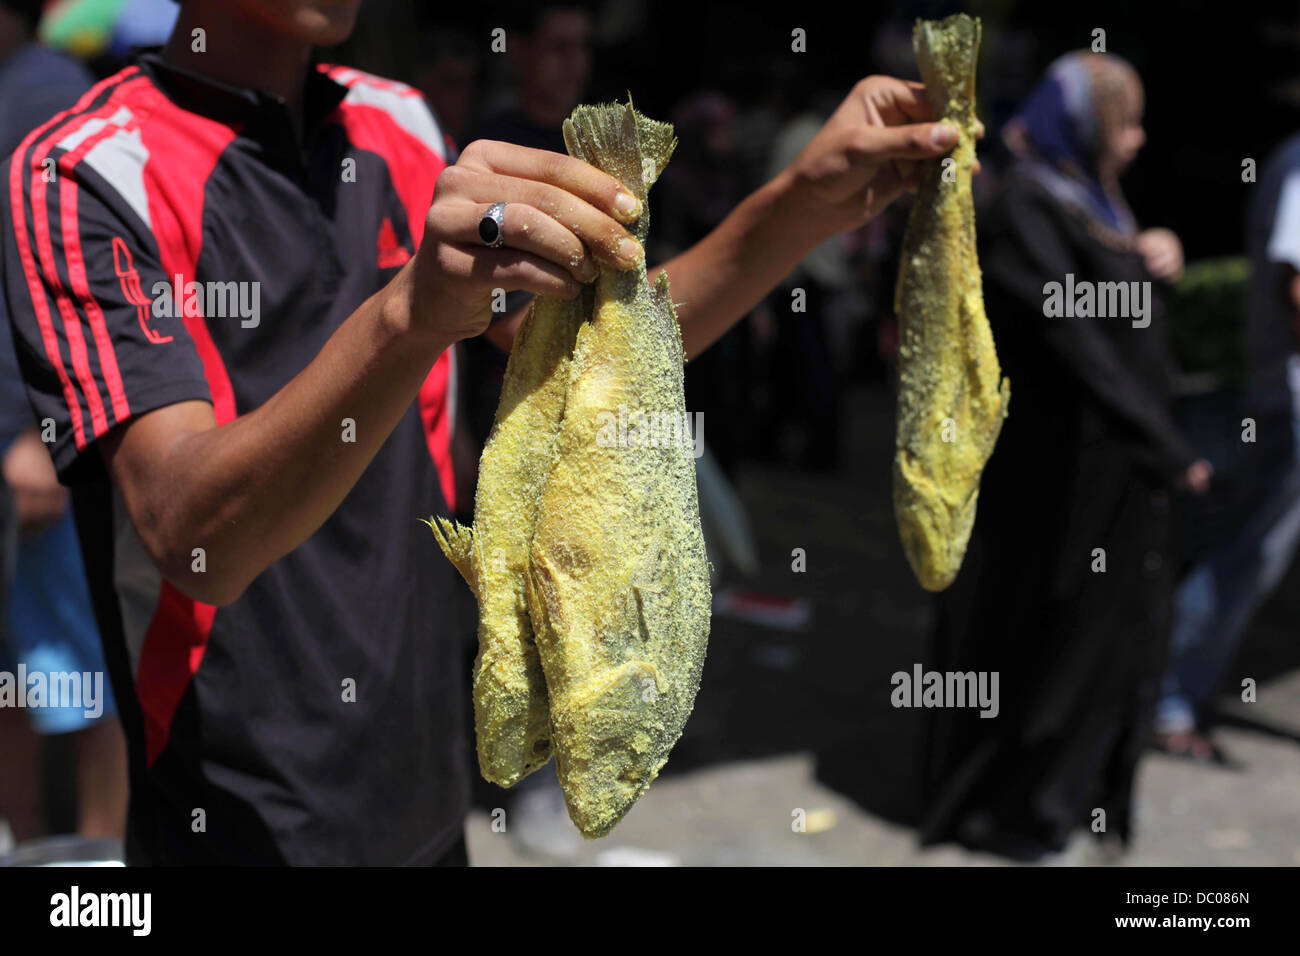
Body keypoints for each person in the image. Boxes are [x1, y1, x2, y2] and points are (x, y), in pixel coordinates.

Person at [2, 0, 966, 864]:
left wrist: (803, 196)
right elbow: (191, 538)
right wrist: (414, 310)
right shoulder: (83, 169)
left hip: (427, 784)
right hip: (234, 815)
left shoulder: (400, 123)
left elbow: (592, 371)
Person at [918, 52, 1209, 861]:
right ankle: (1028, 815)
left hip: (1116, 475)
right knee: (1059, 644)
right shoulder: (1026, 208)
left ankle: (1077, 803)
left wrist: (1159, 250)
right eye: (1127, 122)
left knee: (1110, 641)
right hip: (1061, 480)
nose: (1139, 140)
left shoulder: (1089, 196)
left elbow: (1118, 295)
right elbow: (1075, 341)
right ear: (1088, 126)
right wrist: (1164, 443)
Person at [0, 0, 127, 847]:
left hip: (31, 443)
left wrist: (36, 431)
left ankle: (94, 858)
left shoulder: (43, 93)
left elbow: (49, 278)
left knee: (73, 671)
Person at [1154, 133, 1300, 761]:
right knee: (1247, 556)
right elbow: (1297, 291)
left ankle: (1172, 696)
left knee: (1248, 555)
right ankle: (1171, 698)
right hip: (1290, 400)